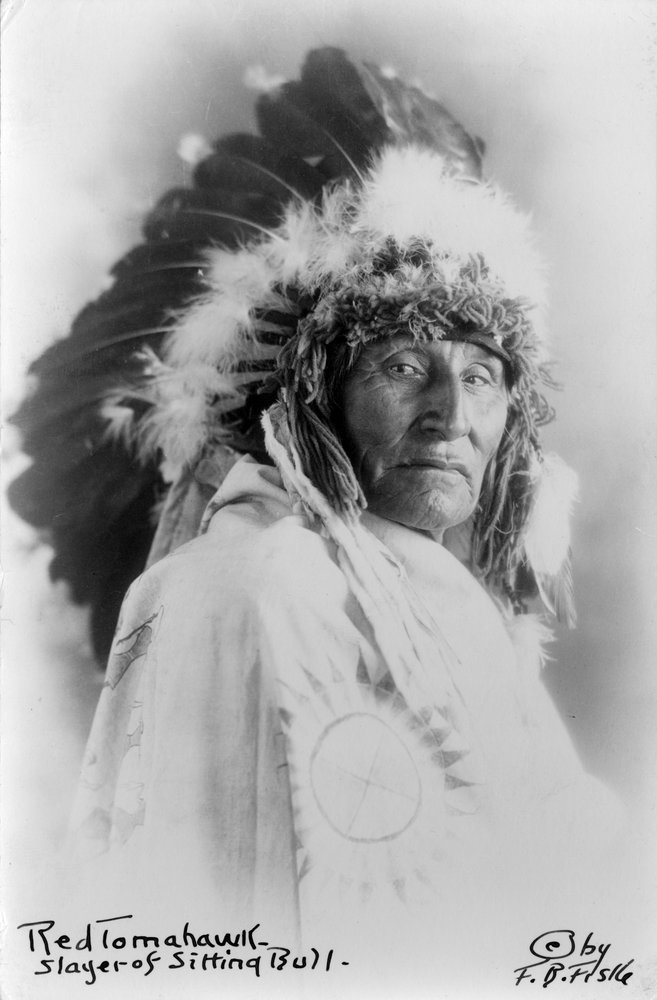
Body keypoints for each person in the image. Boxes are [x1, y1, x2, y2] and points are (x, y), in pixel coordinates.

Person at [37, 49, 618, 989]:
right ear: (315, 398)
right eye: (398, 365)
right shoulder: (250, 581)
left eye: (480, 377)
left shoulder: (451, 608)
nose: (451, 415)